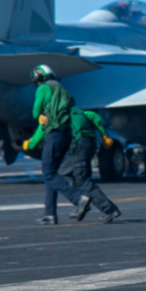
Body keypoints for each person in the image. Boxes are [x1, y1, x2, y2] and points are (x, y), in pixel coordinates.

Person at [29, 107, 121, 223]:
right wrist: (104, 136)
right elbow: (94, 116)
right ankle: (65, 208)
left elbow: (41, 133)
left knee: (78, 181)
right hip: (89, 144)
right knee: (62, 175)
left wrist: (28, 144)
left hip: (77, 145)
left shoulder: (53, 114)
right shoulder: (78, 111)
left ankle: (98, 206)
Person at [25, 65, 91, 225]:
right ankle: (50, 214)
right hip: (66, 134)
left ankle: (78, 199)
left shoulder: (43, 89)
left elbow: (35, 112)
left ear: (38, 77)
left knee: (48, 173)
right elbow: (72, 102)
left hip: (54, 135)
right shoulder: (61, 88)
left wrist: (41, 116)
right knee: (52, 173)